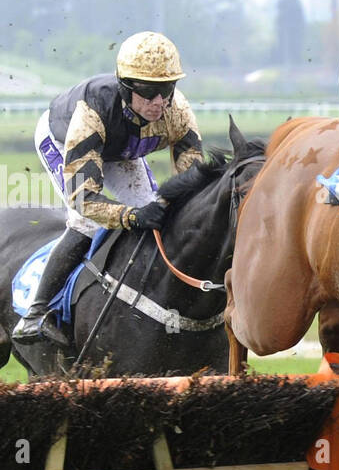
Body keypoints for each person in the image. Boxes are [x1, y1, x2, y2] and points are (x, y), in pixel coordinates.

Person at [13, 31, 203, 345]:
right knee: (87, 222)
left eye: (166, 89)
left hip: (119, 149)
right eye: (147, 91)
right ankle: (35, 313)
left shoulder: (177, 112)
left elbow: (193, 182)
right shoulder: (93, 110)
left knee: (159, 212)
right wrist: (131, 216)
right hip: (66, 139)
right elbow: (84, 199)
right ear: (127, 86)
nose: (158, 102)